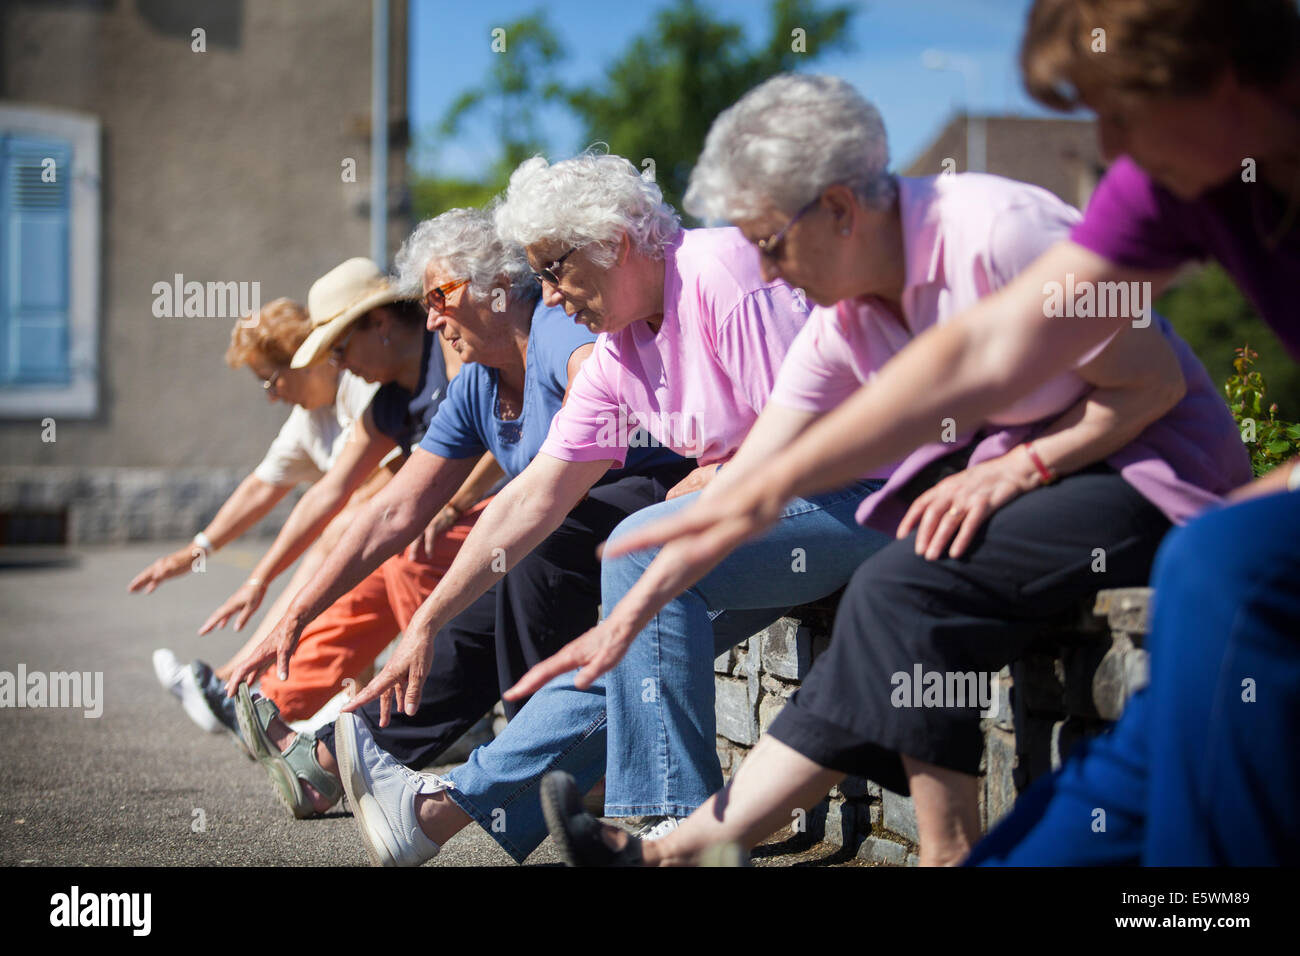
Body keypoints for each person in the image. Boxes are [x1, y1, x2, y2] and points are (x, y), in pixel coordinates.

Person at [528, 70, 1253, 866]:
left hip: (1143, 463)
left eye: (769, 241)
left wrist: (1022, 468)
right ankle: (678, 853)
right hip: (1022, 471)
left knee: (905, 588)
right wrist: (633, 610)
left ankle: (920, 853)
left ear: (838, 208)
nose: (764, 271)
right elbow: (757, 484)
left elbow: (1152, 385)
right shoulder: (844, 320)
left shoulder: (1001, 230)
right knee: (891, 597)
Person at [326, 152, 891, 866]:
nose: (551, 296)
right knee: (631, 644)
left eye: (555, 269)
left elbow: (815, 435)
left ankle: (665, 828)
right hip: (774, 517)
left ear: (615, 241)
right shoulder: (622, 349)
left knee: (642, 545)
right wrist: (426, 622)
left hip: (874, 491)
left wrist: (721, 476)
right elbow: (534, 494)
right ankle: (435, 814)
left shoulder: (724, 277)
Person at [223, 207, 689, 830]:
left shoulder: (553, 331)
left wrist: (425, 614)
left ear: (497, 284)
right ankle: (340, 749)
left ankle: (549, 771)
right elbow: (393, 508)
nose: (433, 318)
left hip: (663, 491)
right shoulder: (479, 384)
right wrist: (297, 612)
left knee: (529, 553)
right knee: (471, 616)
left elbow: (587, 421)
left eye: (441, 296)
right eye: (426, 301)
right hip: (569, 514)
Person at [135, 297, 395, 747]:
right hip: (377, 541)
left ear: (303, 360)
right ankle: (248, 682)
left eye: (271, 381)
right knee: (338, 538)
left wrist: (262, 576)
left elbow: (397, 471)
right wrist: (199, 548)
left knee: (336, 535)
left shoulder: (361, 383)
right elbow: (260, 487)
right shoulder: (307, 418)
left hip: (411, 529)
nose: (272, 395)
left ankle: (241, 681)